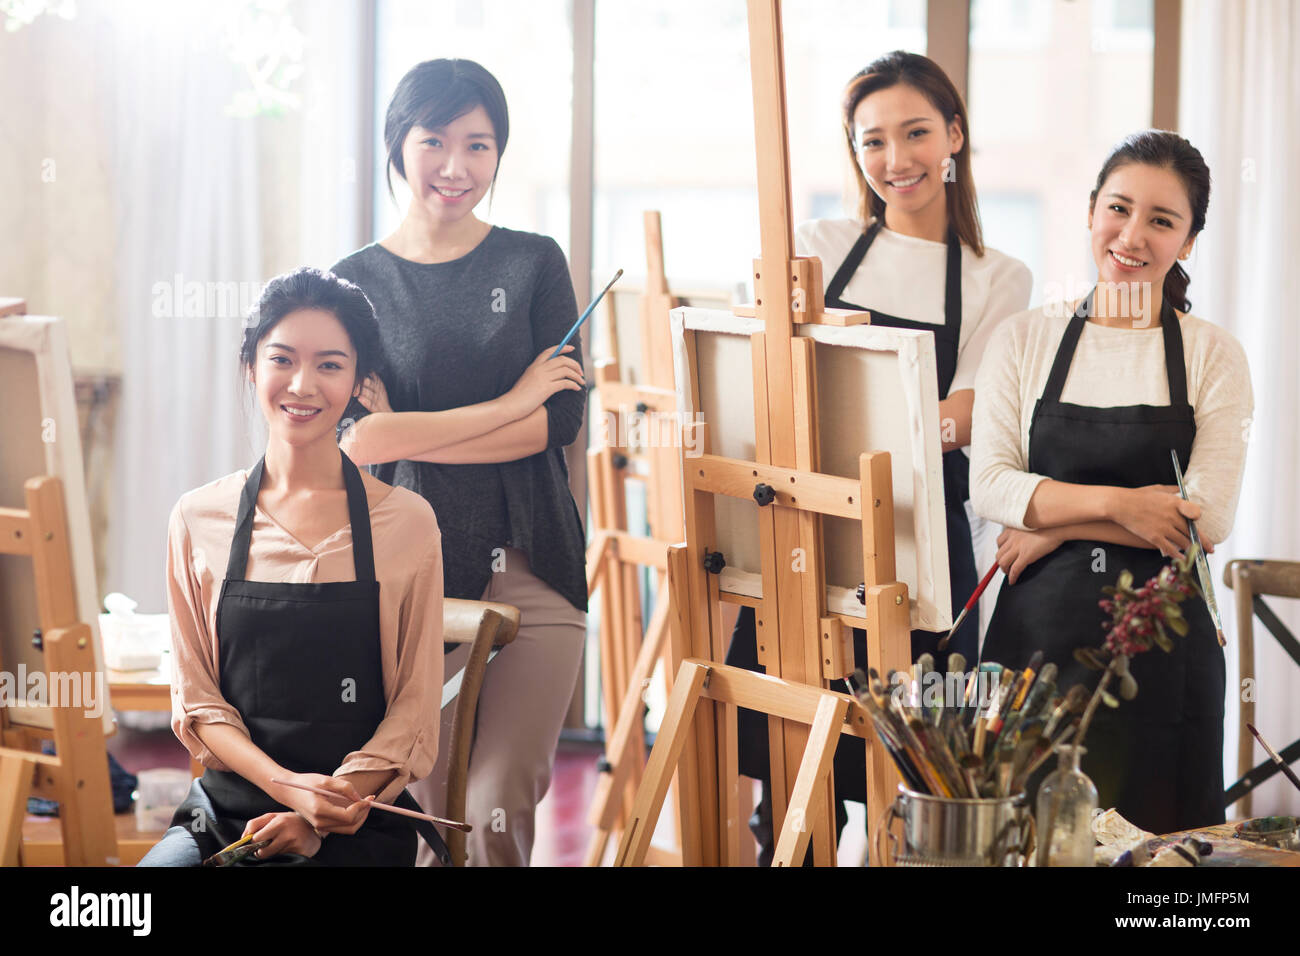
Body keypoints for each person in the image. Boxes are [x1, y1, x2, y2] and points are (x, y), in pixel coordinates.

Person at [725, 50, 1031, 861]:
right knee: (793, 788)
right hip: (807, 540)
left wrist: (861, 430)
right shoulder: (818, 245)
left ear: (955, 136)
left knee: (913, 786)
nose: (897, 160)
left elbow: (966, 420)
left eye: (917, 133)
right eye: (873, 142)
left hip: (919, 551)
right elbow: (763, 377)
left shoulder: (998, 275)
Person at [330, 58, 588, 867]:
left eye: (478, 145)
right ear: (397, 145)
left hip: (536, 560)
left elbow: (563, 421)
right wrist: (515, 402)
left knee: (495, 800)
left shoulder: (534, 262)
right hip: (415, 577)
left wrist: (404, 428)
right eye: (433, 141)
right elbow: (356, 442)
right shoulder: (353, 284)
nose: (455, 166)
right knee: (435, 808)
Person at [971, 130, 1253, 834]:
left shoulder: (1212, 354)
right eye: (1118, 209)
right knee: (1023, 837)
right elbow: (992, 487)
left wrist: (1054, 524)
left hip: (1165, 649)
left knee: (1157, 857)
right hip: (1036, 644)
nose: (1132, 235)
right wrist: (1123, 508)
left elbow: (1205, 521)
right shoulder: (1024, 337)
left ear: (1187, 242)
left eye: (1162, 221)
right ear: (1091, 210)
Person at [141, 268, 445, 866]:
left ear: (359, 381)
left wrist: (326, 810)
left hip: (358, 817)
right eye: (282, 359)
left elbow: (413, 711)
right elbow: (197, 706)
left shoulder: (408, 523)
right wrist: (288, 789)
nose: (302, 384)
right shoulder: (196, 518)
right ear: (252, 367)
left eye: (330, 365)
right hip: (224, 815)